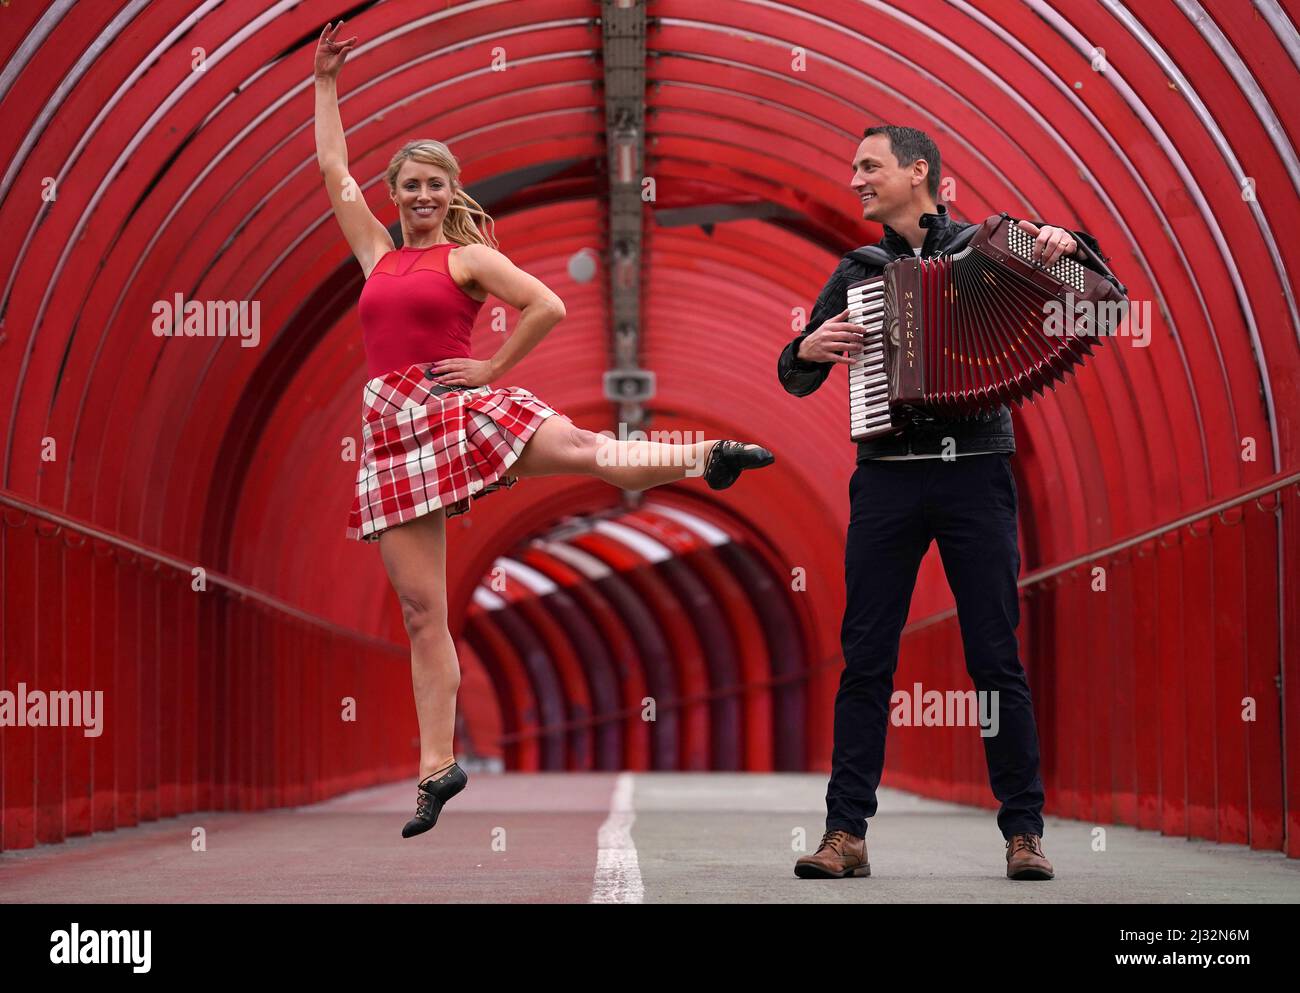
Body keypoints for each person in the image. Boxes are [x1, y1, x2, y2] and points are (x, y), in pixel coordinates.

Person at [314, 22, 773, 837]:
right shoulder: (377, 254)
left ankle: (709, 456)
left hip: (459, 406)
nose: (420, 196)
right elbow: (332, 171)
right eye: (409, 185)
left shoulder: (466, 258)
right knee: (421, 610)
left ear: (450, 193)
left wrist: (490, 371)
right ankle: (437, 765)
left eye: (433, 186)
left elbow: (548, 305)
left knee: (594, 457)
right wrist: (324, 84)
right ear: (395, 193)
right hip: (390, 425)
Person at [780, 125, 1119, 881]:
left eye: (869, 166)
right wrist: (805, 349)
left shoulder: (995, 245)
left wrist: (1074, 244)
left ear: (917, 172)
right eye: (854, 167)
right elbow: (793, 375)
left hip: (975, 474)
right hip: (888, 475)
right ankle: (845, 834)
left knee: (996, 657)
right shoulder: (857, 270)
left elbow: (1102, 303)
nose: (856, 179)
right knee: (866, 656)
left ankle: (1024, 833)